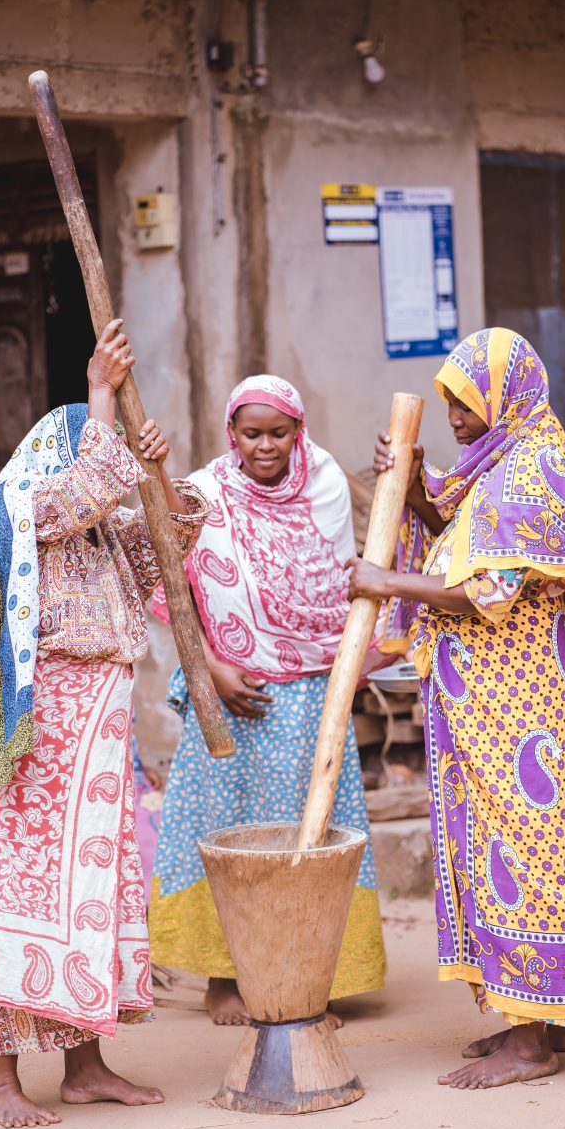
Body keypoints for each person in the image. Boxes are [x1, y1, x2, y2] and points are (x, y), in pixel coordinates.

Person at [0, 319, 209, 1128]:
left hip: (100, 729)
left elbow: (170, 543)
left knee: (92, 894)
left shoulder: (99, 528)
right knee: (31, 895)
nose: (97, 461)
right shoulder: (19, 505)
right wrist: (100, 390)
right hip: (41, 732)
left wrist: (159, 472)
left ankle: (84, 1066)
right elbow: (83, 491)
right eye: (87, 447)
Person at [347, 327, 565, 1089]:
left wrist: (385, 583)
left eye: (466, 403)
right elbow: (465, 545)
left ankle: (531, 1045)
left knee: (524, 850)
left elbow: (489, 589)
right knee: (502, 848)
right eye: (449, 402)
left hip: (525, 711)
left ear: (506, 396)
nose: (455, 418)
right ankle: (543, 1017)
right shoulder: (499, 461)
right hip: (491, 705)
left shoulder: (537, 466)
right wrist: (417, 492)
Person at [148, 374, 386, 1025]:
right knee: (224, 827)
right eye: (251, 433)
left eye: (279, 433)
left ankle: (310, 973)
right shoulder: (206, 492)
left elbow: (339, 590)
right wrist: (214, 667)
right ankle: (222, 978)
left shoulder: (327, 487)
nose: (265, 446)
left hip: (310, 699)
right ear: (232, 432)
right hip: (230, 698)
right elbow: (172, 579)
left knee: (312, 831)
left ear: (298, 431)